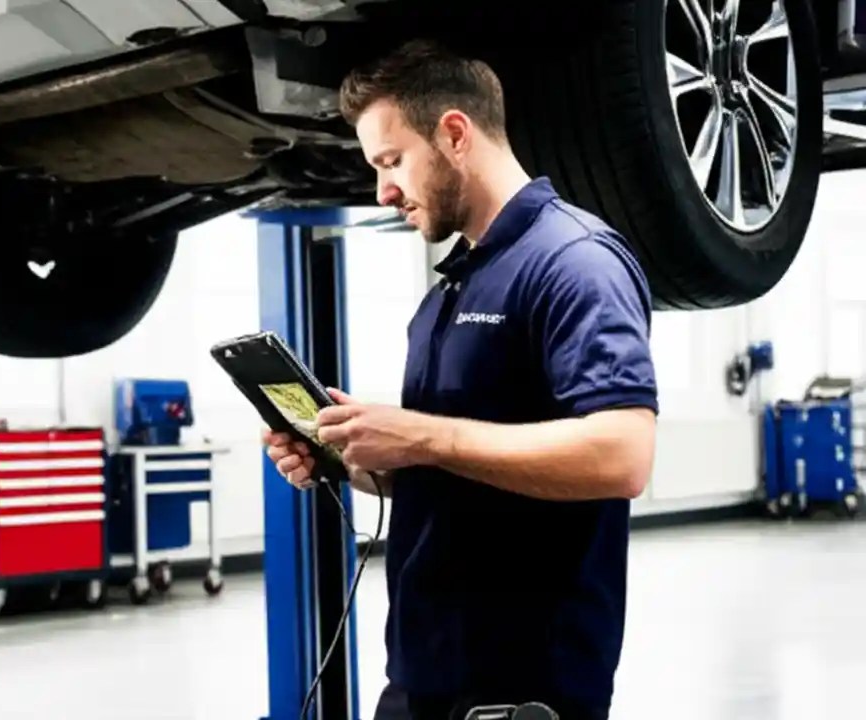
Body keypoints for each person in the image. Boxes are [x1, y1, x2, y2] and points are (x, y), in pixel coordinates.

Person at [263, 38, 659, 720]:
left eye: (390, 162)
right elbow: (442, 470)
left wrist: (421, 435)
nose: (382, 190)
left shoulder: (573, 262)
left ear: (453, 134)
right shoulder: (448, 291)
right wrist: (350, 453)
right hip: (420, 680)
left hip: (523, 692)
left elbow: (623, 456)